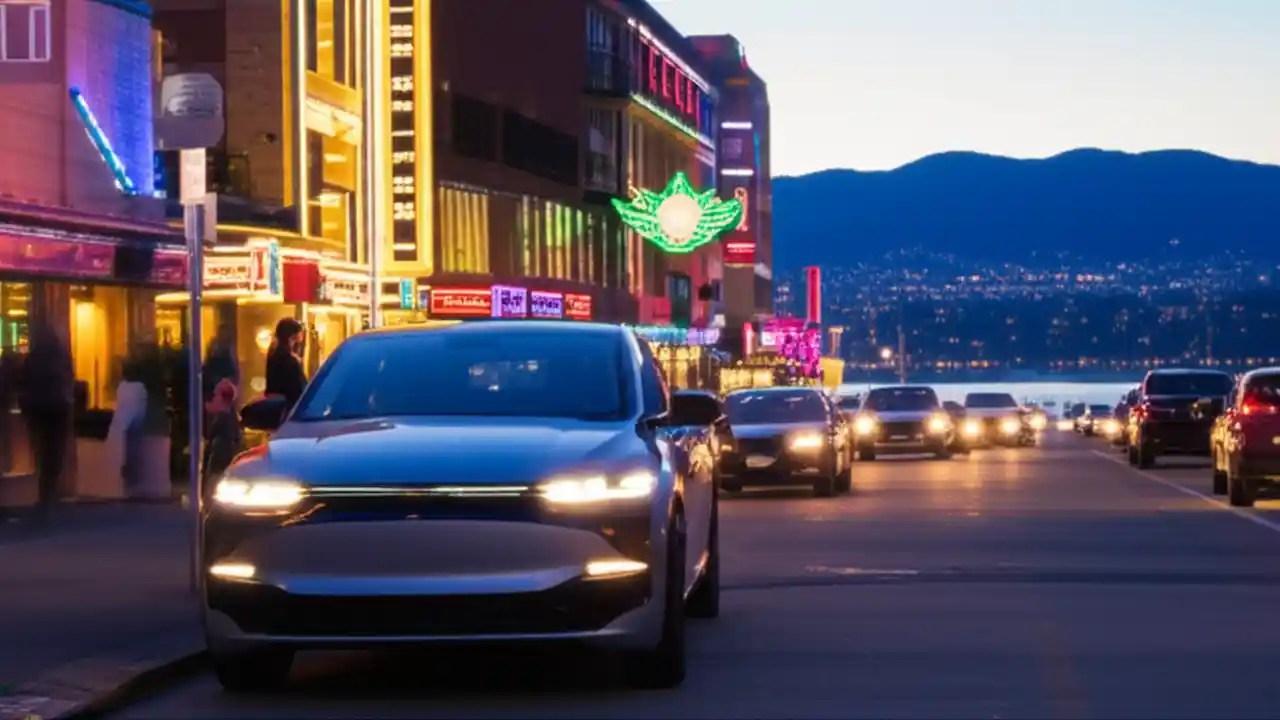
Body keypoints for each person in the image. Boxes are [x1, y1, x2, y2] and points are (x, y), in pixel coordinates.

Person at [19, 322, 73, 520]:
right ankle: (49, 494)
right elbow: (68, 381)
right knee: (54, 455)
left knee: (43, 454)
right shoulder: (61, 356)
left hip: (38, 412)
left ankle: (45, 496)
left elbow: (23, 382)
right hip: (57, 411)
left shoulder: (33, 359)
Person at [265, 318, 307, 411]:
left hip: (274, 405)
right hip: (289, 407)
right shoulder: (290, 360)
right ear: (293, 336)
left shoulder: (273, 354)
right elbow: (299, 388)